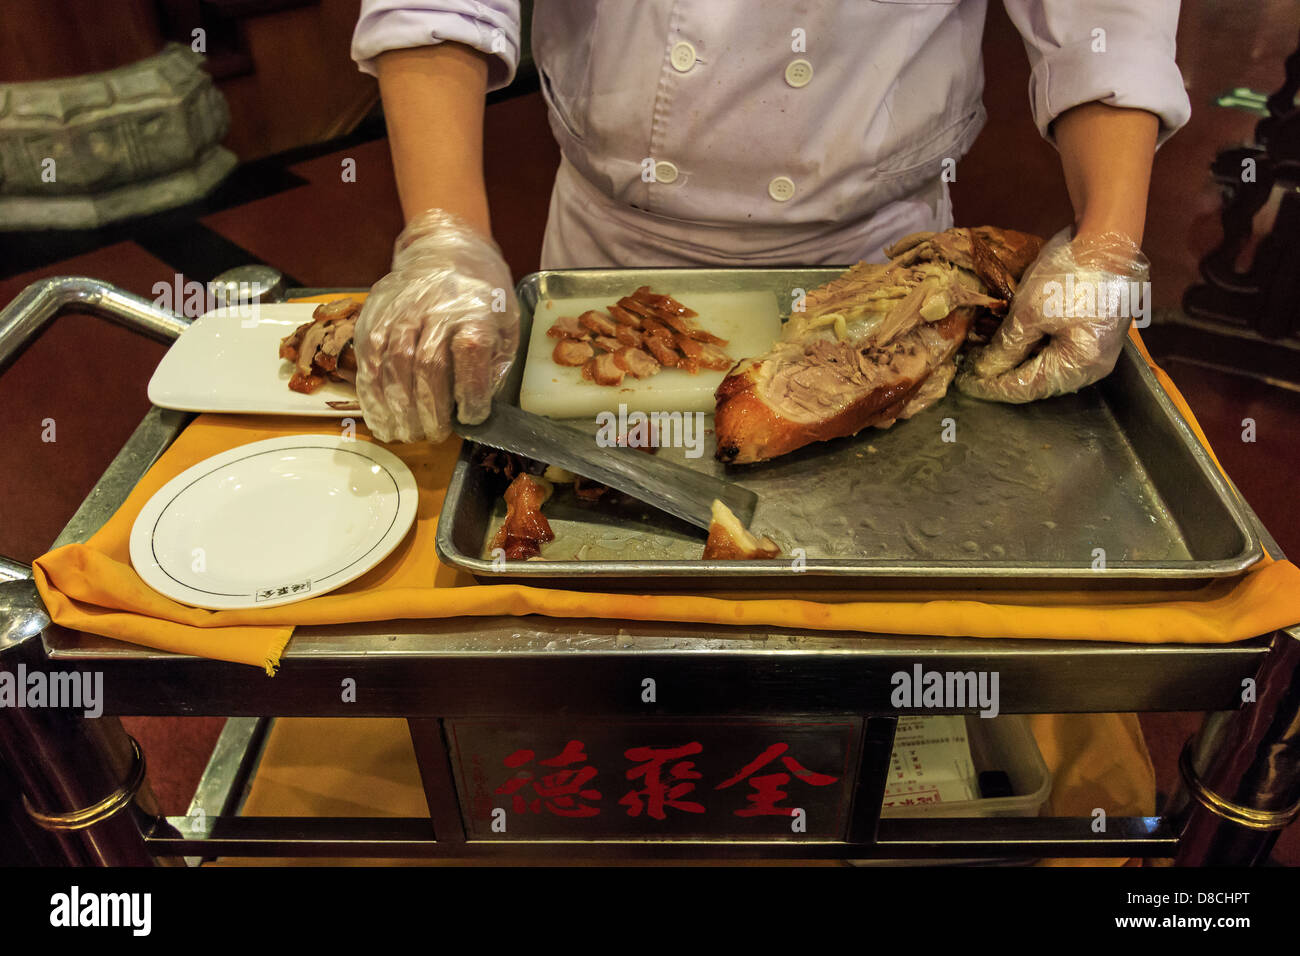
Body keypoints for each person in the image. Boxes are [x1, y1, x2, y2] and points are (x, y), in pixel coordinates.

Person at [349, 1, 1190, 444]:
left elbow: (1107, 23)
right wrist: (443, 234)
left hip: (881, 264)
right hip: (615, 249)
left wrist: (1106, 246)